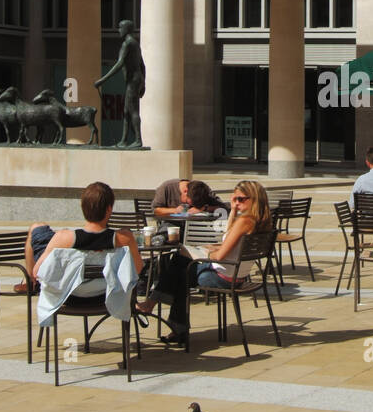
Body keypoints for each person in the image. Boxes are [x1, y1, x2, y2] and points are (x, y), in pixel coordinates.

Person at [136, 180, 272, 343]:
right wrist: (233, 212)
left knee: (179, 267)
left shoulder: (244, 221)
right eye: (234, 199)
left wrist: (204, 254)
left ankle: (157, 309)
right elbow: (229, 240)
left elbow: (221, 256)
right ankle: (173, 326)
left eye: (241, 199)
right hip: (237, 274)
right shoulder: (260, 221)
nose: (236, 202)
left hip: (222, 277)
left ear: (255, 198)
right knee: (180, 268)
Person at [21, 182, 143, 294]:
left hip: (69, 294)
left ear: (82, 207)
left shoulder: (64, 237)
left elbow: (38, 272)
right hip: (105, 295)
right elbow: (136, 270)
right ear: (109, 209)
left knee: (37, 227)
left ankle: (29, 284)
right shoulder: (124, 238)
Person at [94, 19, 146, 148]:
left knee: (132, 110)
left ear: (126, 29)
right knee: (126, 111)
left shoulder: (127, 44)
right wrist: (143, 83)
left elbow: (119, 64)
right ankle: (123, 140)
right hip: (135, 79)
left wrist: (102, 80)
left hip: (133, 80)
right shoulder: (135, 44)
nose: (118, 30)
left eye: (120, 28)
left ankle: (138, 140)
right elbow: (142, 65)